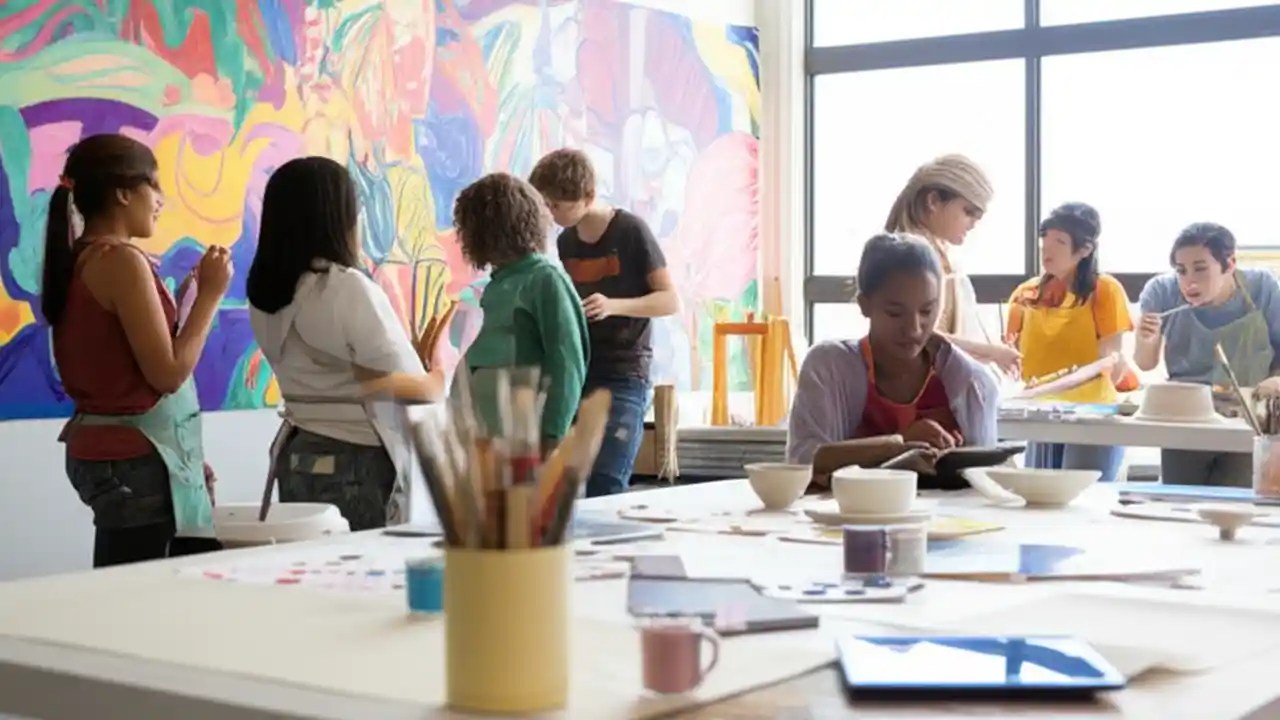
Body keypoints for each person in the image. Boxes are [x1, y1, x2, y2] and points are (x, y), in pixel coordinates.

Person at [45, 133, 230, 567]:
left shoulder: (83, 258)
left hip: (111, 453)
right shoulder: (120, 261)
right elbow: (167, 374)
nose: (161, 200)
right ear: (124, 193)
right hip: (133, 457)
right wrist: (210, 296)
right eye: (155, 186)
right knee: (149, 598)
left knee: (125, 581)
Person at [248, 157, 448, 532]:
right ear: (336, 217)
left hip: (297, 450)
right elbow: (416, 391)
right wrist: (438, 371)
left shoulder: (264, 293)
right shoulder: (345, 287)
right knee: (359, 579)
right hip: (357, 460)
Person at [787, 232, 1000, 487]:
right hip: (845, 520)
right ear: (864, 305)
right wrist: (897, 444)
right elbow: (801, 462)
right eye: (895, 313)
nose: (913, 328)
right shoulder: (828, 367)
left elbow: (984, 483)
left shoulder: (972, 382)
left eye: (926, 311)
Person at [529, 148, 679, 496]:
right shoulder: (566, 242)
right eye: (545, 204)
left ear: (588, 197)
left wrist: (614, 305)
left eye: (557, 206)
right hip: (581, 370)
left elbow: (670, 300)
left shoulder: (631, 232)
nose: (549, 213)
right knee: (563, 483)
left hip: (625, 372)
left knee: (607, 480)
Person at [452, 171, 590, 449]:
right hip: (486, 439)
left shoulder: (544, 279)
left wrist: (552, 435)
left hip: (523, 438)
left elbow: (568, 362)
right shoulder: (499, 283)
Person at [1135, 222, 1280, 486]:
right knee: (1182, 508)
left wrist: (1276, 379)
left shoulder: (1264, 288)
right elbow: (1144, 363)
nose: (1189, 280)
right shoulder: (1162, 292)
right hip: (1186, 418)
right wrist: (1146, 338)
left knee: (1237, 505)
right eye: (1181, 271)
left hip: (1250, 417)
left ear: (1230, 263)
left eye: (1200, 268)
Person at [1005, 202, 1137, 483]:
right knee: (1040, 497)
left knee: (1083, 498)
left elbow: (1109, 364)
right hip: (1040, 412)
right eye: (1045, 239)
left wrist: (1117, 365)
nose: (1046, 248)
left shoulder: (1105, 290)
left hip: (1093, 416)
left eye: (1059, 241)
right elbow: (1011, 358)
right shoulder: (1025, 293)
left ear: (1085, 249)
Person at [885, 154, 1020, 377]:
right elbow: (919, 337)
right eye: (968, 212)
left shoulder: (938, 255)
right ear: (934, 202)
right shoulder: (910, 258)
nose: (975, 224)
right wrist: (992, 352)